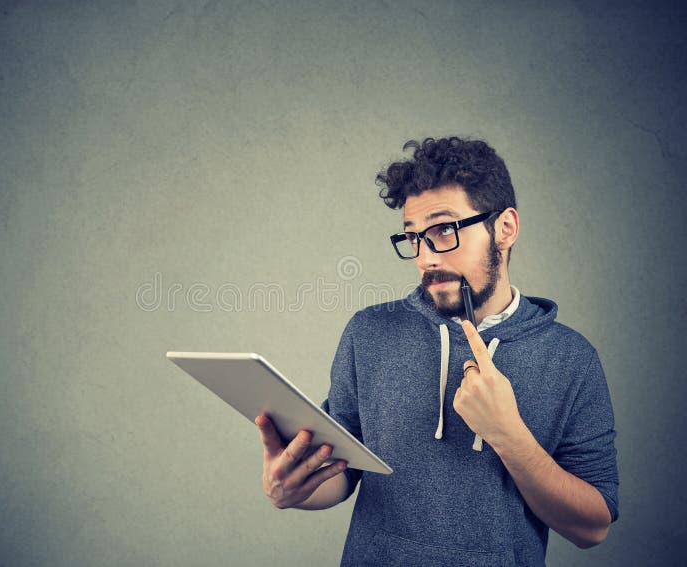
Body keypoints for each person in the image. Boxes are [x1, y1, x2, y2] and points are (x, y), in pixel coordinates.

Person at [256, 137, 619, 566]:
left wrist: (507, 433)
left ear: (505, 228)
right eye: (413, 238)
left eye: (444, 231)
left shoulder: (571, 358)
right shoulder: (369, 333)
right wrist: (293, 488)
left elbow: (592, 527)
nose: (425, 257)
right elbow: (342, 472)